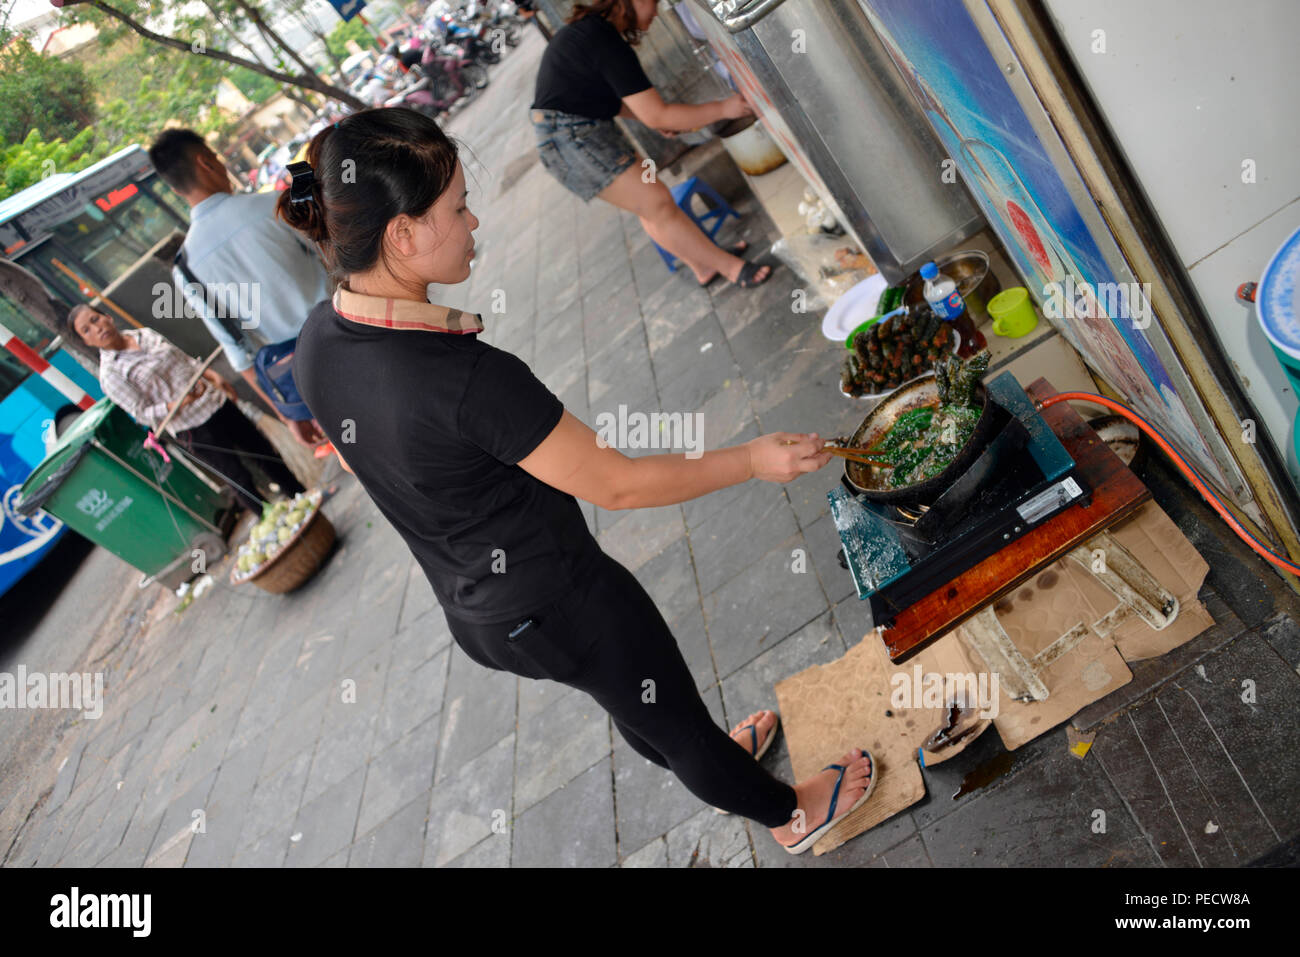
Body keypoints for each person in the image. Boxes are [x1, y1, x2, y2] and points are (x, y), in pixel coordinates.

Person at [280, 108, 876, 855]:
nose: (473, 222)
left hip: (481, 610)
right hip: (553, 596)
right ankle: (791, 811)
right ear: (400, 233)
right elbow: (617, 484)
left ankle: (707, 751)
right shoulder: (468, 381)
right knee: (671, 717)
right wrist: (752, 459)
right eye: (457, 208)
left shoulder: (317, 340)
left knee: (636, 697)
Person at [530, 0, 772, 289]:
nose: (657, 11)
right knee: (656, 204)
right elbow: (658, 113)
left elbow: (602, 98)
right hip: (570, 141)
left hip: (578, 134)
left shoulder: (594, 33)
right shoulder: (604, 40)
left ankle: (704, 267)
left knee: (651, 206)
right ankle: (732, 268)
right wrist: (724, 108)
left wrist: (653, 120)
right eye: (654, 2)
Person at [147, 128, 329, 447]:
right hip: (359, 331)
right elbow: (340, 259)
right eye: (216, 157)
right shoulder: (273, 206)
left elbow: (238, 351)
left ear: (175, 187)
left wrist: (288, 414)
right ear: (206, 163)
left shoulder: (186, 267)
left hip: (310, 378)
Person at [66, 305, 304, 516]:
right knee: (238, 478)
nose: (96, 329)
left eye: (95, 320)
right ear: (87, 342)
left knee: (263, 451)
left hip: (215, 402)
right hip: (193, 428)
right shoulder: (111, 375)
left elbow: (184, 359)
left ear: (107, 317)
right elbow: (142, 413)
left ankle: (301, 497)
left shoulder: (145, 334)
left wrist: (212, 375)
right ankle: (272, 521)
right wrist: (179, 403)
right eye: (86, 330)